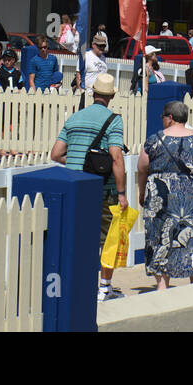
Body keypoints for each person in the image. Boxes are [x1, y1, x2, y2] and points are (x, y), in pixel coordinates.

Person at [51, 73, 128, 302]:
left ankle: (78, 284)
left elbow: (56, 154)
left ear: (93, 93)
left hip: (76, 189)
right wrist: (122, 193)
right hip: (103, 190)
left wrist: (79, 161)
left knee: (78, 238)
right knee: (108, 239)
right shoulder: (113, 120)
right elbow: (116, 157)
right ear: (112, 95)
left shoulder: (75, 118)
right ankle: (104, 287)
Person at [137, 100, 193, 290]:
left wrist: (142, 191)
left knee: (161, 238)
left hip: (160, 198)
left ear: (169, 118)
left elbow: (142, 167)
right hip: (191, 196)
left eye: (163, 117)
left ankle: (162, 286)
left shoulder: (155, 140)